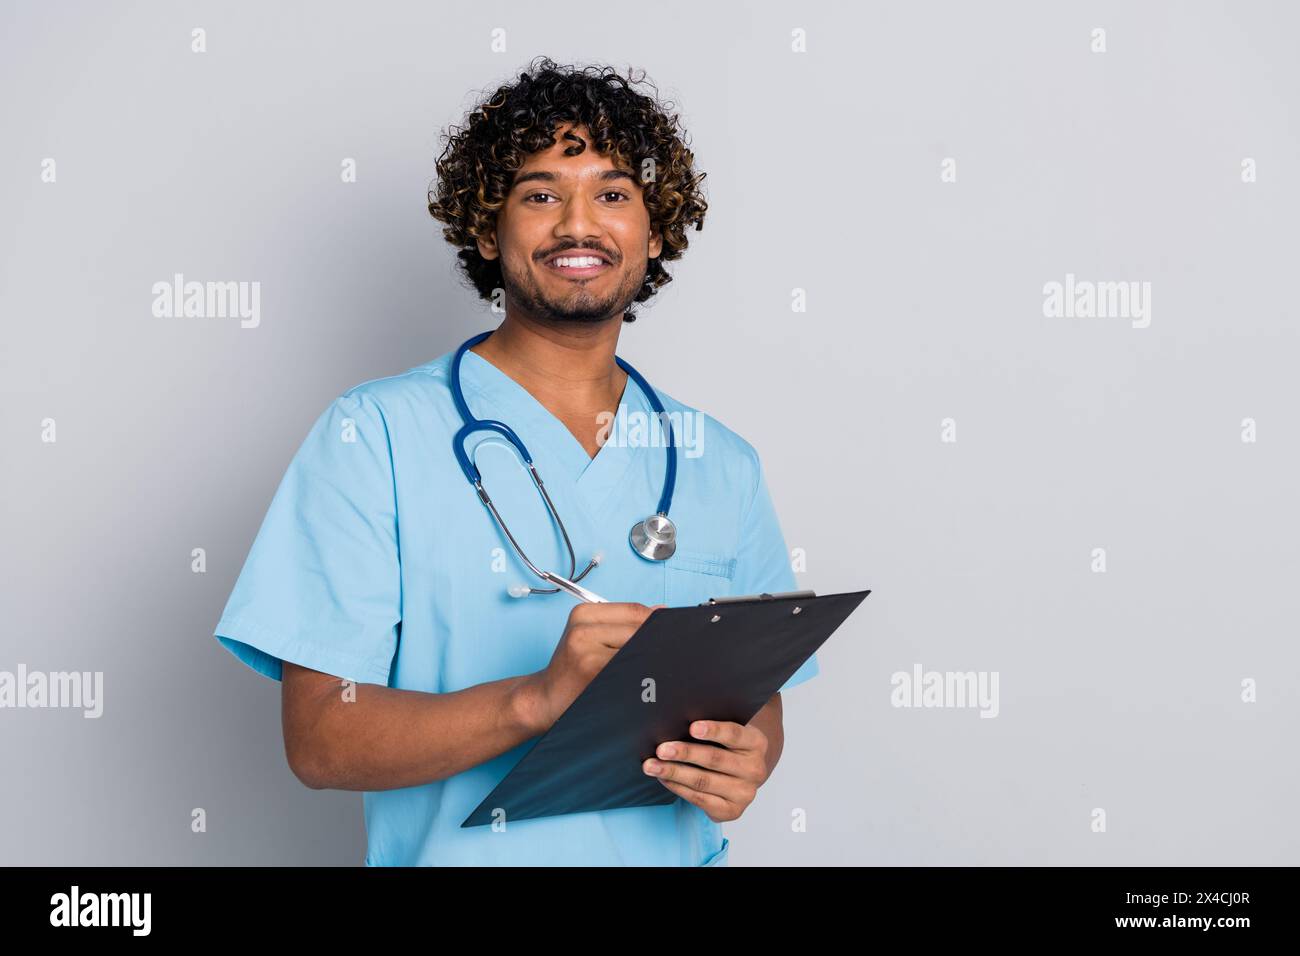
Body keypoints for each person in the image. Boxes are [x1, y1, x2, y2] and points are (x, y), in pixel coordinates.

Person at [213, 56, 818, 866]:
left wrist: (750, 757)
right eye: (539, 195)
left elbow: (757, 692)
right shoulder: (374, 437)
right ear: (483, 226)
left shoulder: (721, 462)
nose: (578, 225)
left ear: (655, 227)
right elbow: (321, 738)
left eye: (613, 194)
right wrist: (535, 700)